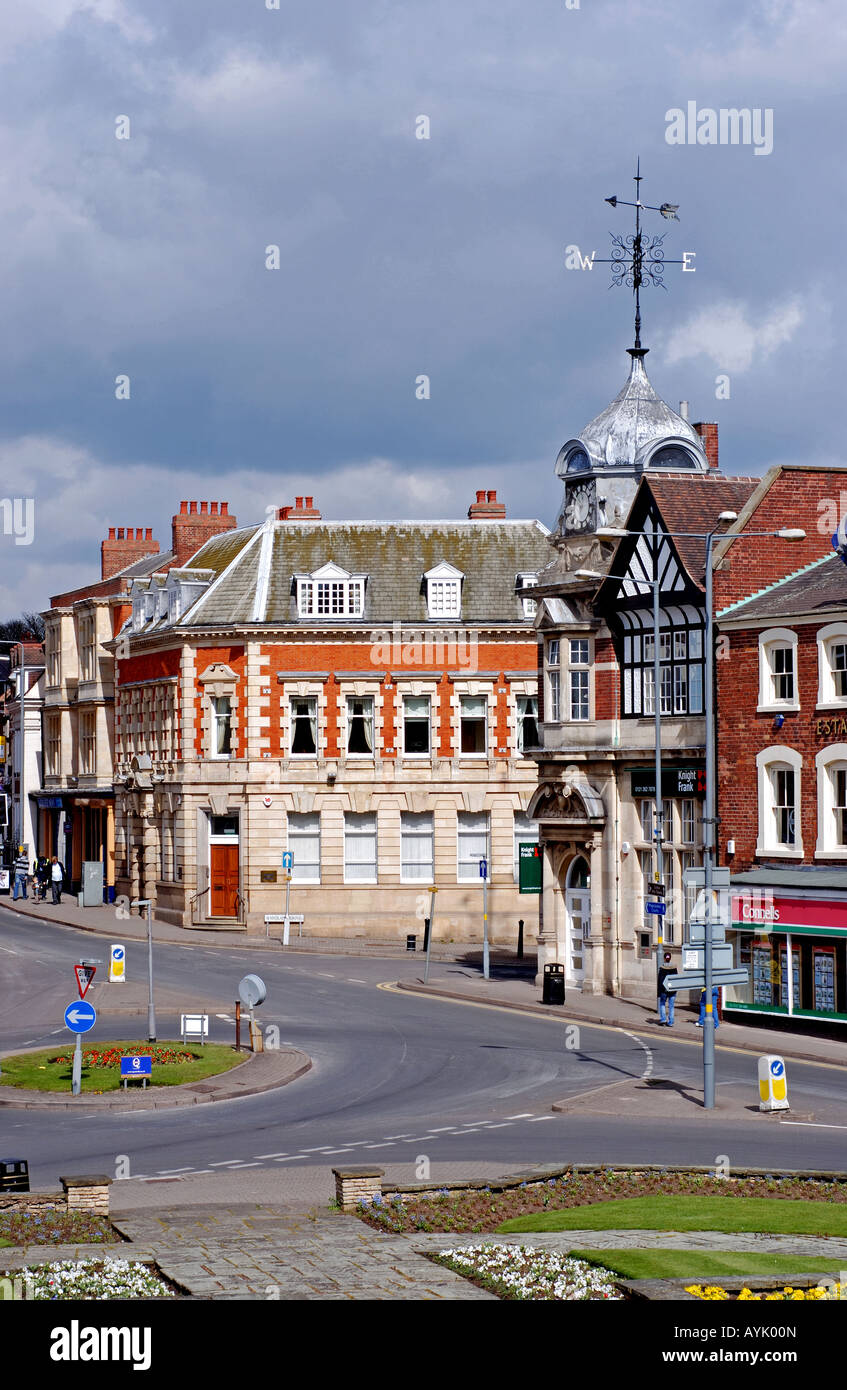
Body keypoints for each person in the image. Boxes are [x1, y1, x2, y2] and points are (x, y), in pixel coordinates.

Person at [657, 951, 675, 1026]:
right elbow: (676, 979)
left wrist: (659, 992)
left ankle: (663, 1019)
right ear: (670, 958)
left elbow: (660, 981)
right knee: (671, 1006)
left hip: (664, 990)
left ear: (664, 958)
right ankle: (670, 1022)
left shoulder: (662, 968)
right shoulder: (674, 968)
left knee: (662, 1004)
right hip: (672, 990)